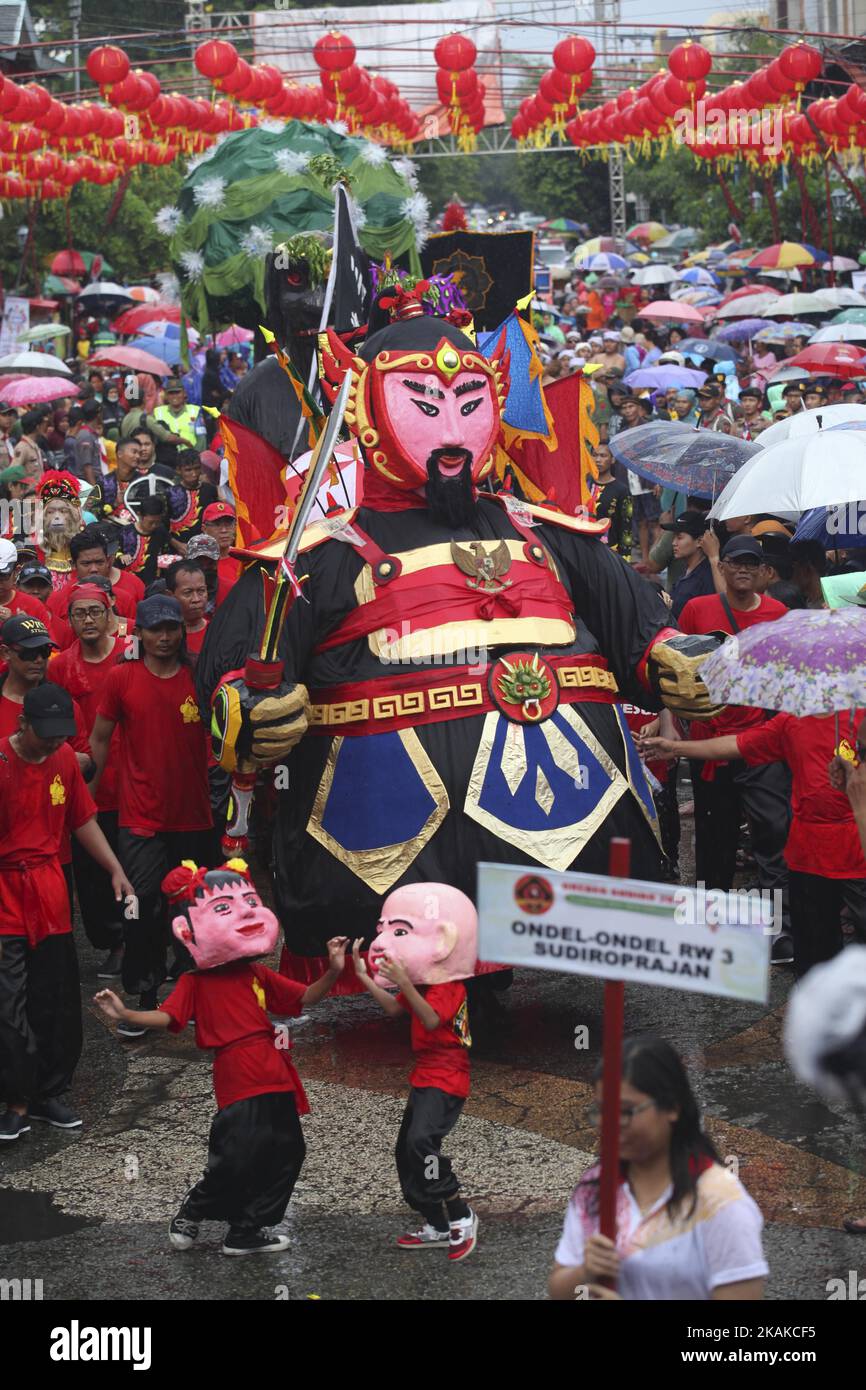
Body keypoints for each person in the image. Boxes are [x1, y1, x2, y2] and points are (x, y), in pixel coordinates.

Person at [95, 860, 348, 1254]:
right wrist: (127, 1014)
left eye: (248, 901)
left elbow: (302, 998)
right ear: (187, 930)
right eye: (226, 908)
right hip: (237, 1075)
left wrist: (332, 971)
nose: (247, 912)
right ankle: (193, 1210)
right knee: (236, 1158)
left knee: (287, 1151)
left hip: (274, 1071)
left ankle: (246, 1229)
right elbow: (170, 1016)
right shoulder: (195, 982)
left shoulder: (256, 974)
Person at [0, 683, 133, 1141]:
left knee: (55, 999)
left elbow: (82, 820)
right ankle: (15, 1099)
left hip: (50, 893)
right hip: (5, 895)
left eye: (62, 734)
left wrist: (115, 868)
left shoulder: (64, 762)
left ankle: (49, 1092)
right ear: (22, 724)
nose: (56, 742)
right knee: (9, 1003)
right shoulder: (0, 763)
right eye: (46, 733)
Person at [643, 706, 866, 979]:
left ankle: (782, 930)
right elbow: (737, 744)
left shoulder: (858, 718)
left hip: (857, 856)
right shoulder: (789, 723)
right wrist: (676, 748)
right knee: (813, 959)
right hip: (808, 859)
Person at [548, 1034, 768, 1300]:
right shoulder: (594, 1187)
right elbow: (559, 1290)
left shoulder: (720, 1202)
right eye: (602, 1111)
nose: (611, 1125)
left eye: (626, 1111)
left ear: (672, 1107)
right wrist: (585, 1271)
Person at [90, 595, 214, 1034]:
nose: (164, 638)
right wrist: (88, 792)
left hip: (195, 815)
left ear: (182, 630)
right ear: (138, 633)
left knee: (194, 909)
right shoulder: (121, 678)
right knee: (139, 906)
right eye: (155, 629)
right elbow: (100, 738)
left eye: (172, 629)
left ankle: (193, 991)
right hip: (139, 818)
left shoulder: (200, 673)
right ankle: (143, 991)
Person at [677, 535, 792, 962]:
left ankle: (776, 930)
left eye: (751, 563)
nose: (743, 569)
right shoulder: (697, 610)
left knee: (773, 834)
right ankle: (710, 927)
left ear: (764, 573)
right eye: (734, 562)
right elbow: (678, 666)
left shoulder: (779, 614)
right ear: (721, 567)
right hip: (710, 742)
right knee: (714, 837)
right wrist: (673, 724)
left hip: (760, 741)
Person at [351, 884, 478, 1261]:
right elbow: (395, 1009)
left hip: (449, 1075)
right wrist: (362, 975)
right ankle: (435, 1223)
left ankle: (459, 1212)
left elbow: (429, 1017)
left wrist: (403, 980)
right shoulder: (423, 984)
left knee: (422, 1143)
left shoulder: (448, 987)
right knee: (407, 1151)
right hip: (425, 1075)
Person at [50, 584, 128, 978]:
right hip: (85, 786)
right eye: (79, 614)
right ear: (70, 619)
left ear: (108, 611)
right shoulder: (60, 666)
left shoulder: (128, 655)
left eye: (94, 612)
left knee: (133, 864)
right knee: (92, 875)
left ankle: (134, 940)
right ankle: (111, 938)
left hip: (130, 781)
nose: (88, 620)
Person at [660, 511, 715, 620]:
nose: (674, 543)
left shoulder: (706, 577)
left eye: (679, 538)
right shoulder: (686, 570)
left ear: (699, 541)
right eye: (674, 537)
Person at [0, 537, 55, 632]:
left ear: (16, 571)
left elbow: (49, 646)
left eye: (3, 576)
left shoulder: (34, 606)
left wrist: (25, 627)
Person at [590, 443, 632, 560]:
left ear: (613, 459)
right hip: (583, 548)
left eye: (603, 456)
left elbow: (626, 528)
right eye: (594, 455)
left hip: (608, 552)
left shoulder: (622, 491)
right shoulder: (584, 485)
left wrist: (625, 558)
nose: (598, 460)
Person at [171, 449, 219, 544]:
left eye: (197, 468)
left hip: (207, 547)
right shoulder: (171, 494)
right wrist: (178, 545)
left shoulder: (210, 490)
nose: (194, 474)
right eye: (188, 470)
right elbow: (161, 527)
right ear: (178, 470)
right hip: (180, 550)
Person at [165, 559, 209, 655]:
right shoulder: (161, 637)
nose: (196, 599)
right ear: (170, 595)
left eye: (201, 591)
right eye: (188, 593)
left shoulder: (218, 633)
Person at [202, 501, 240, 605]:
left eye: (228, 524)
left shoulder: (245, 561)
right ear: (204, 529)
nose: (224, 530)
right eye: (217, 525)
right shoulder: (198, 564)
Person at [153, 379, 204, 450]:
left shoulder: (195, 411)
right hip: (167, 457)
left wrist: (195, 457)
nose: (174, 396)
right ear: (166, 395)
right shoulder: (158, 412)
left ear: (184, 393)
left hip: (190, 456)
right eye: (171, 393)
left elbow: (201, 438)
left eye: (177, 392)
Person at [790, 539, 828, 609]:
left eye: (793, 568)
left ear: (807, 569)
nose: (791, 576)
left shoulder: (830, 606)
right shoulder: (807, 602)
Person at [12, 408, 48, 483]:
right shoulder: (22, 448)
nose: (45, 427)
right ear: (37, 427)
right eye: (43, 424)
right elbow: (14, 472)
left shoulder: (34, 445)